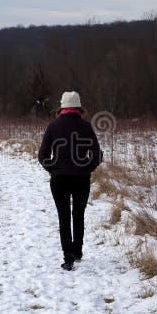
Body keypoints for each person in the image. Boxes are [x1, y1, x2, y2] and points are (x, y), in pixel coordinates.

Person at [37, 91, 102, 271]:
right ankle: (78, 251)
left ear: (62, 108)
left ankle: (68, 256)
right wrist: (87, 168)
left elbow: (42, 155)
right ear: (79, 108)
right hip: (81, 179)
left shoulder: (53, 126)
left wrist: (53, 168)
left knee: (63, 217)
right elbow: (97, 155)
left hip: (59, 179)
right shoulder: (86, 127)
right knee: (78, 214)